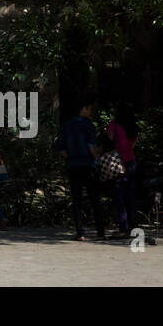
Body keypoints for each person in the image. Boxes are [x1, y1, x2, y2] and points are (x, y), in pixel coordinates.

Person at [55, 95, 107, 241]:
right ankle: (101, 232)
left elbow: (61, 148)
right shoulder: (88, 125)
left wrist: (71, 156)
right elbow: (91, 147)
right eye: (89, 109)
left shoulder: (65, 125)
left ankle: (80, 233)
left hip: (73, 165)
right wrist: (97, 154)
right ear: (83, 109)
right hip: (88, 165)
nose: (90, 112)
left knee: (76, 199)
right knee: (94, 198)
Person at [106, 106, 139, 235]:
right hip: (131, 162)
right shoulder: (133, 127)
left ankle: (123, 228)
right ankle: (132, 226)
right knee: (130, 197)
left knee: (119, 197)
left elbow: (109, 141)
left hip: (117, 163)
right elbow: (132, 146)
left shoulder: (114, 125)